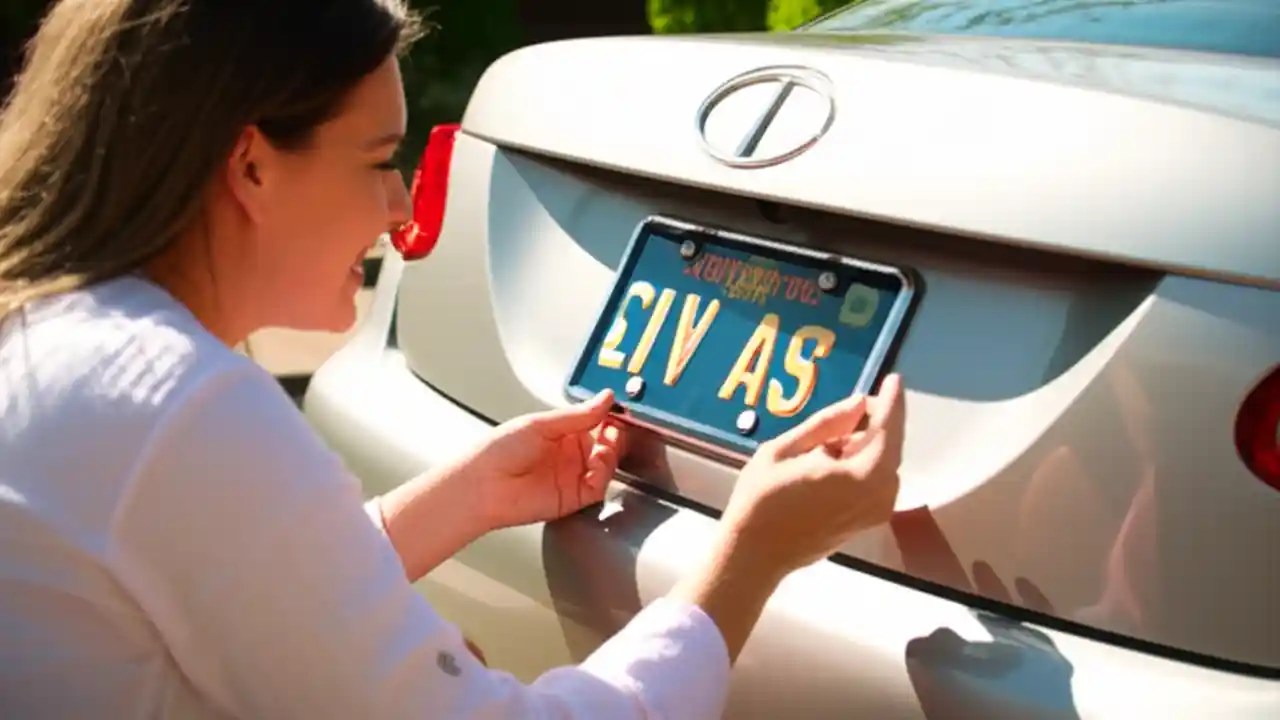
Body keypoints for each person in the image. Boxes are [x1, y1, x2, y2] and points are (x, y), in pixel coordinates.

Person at [0, 1, 907, 718]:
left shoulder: (57, 342)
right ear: (252, 168)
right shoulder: (181, 405)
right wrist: (748, 559)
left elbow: (224, 580)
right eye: (378, 158)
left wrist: (464, 497)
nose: (398, 208)